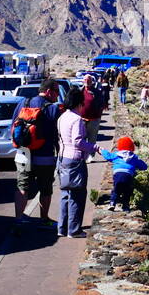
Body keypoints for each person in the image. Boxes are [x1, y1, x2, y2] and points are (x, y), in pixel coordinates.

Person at [12, 78, 62, 231]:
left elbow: (13, 124)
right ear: (48, 91)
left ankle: (19, 219)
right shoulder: (52, 109)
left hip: (23, 154)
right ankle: (44, 219)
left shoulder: (24, 103)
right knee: (45, 188)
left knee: (22, 187)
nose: (57, 96)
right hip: (45, 156)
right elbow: (57, 132)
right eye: (56, 92)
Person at [55, 86, 97, 238]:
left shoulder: (62, 117)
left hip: (62, 158)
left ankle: (62, 227)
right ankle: (74, 230)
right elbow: (78, 142)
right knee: (77, 195)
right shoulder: (77, 119)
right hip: (75, 160)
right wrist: (94, 147)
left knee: (65, 193)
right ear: (79, 103)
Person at [101, 136, 147, 211]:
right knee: (127, 191)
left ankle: (112, 203)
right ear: (132, 147)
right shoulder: (134, 157)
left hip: (118, 174)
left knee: (116, 189)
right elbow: (144, 166)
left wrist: (102, 150)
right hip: (128, 175)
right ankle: (125, 206)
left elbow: (108, 156)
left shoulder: (116, 155)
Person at [80, 75, 105, 145]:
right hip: (81, 121)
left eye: (89, 80)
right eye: (85, 80)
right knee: (81, 142)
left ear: (92, 82)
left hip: (93, 121)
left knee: (92, 141)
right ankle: (82, 156)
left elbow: (101, 104)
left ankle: (91, 156)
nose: (87, 81)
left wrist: (98, 117)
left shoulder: (97, 92)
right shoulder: (79, 92)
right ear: (83, 81)